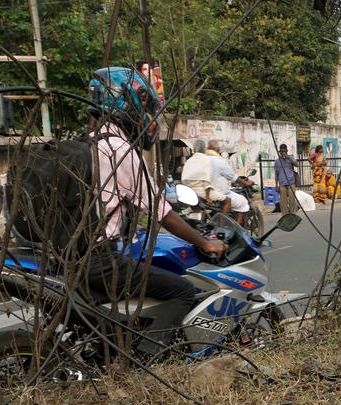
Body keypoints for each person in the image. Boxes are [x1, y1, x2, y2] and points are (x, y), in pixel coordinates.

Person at [85, 66, 226, 359]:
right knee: (182, 291)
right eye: (145, 105)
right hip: (99, 261)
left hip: (67, 256)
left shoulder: (84, 143)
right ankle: (148, 359)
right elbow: (162, 214)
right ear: (128, 102)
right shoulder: (118, 150)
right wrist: (205, 242)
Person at [205, 140, 253, 226]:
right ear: (218, 150)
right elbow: (233, 178)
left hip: (204, 194)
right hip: (219, 193)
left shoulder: (203, 159)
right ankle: (237, 231)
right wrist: (246, 183)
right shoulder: (220, 161)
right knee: (243, 202)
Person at [274, 144, 299, 214]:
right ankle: (285, 215)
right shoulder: (277, 161)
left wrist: (288, 157)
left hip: (291, 183)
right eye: (281, 151)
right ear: (279, 152)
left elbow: (297, 164)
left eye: (284, 151)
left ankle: (293, 214)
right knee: (283, 202)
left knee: (292, 200)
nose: (283, 153)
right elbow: (276, 174)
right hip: (282, 184)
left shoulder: (291, 158)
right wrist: (276, 185)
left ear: (287, 151)